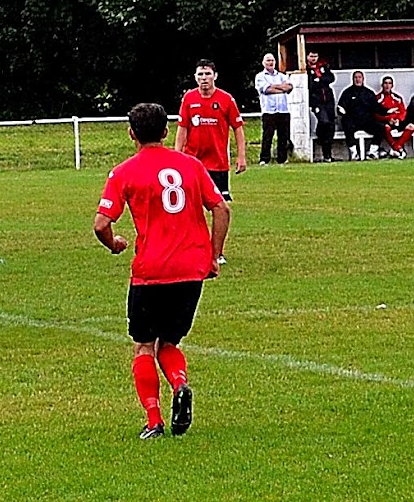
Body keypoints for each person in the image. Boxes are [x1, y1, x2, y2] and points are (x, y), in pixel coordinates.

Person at [94, 102, 231, 439]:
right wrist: (213, 256)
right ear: (167, 131)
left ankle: (154, 420)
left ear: (131, 134)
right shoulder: (192, 166)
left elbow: (101, 224)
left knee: (143, 346)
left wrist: (115, 244)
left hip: (151, 271)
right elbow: (221, 209)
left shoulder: (124, 171)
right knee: (168, 343)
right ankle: (180, 383)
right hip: (190, 270)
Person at [174, 59, 247, 200]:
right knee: (191, 201)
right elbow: (182, 129)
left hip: (218, 163)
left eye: (208, 73)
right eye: (200, 74)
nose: (204, 78)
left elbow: (238, 129)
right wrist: (177, 155)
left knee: (220, 204)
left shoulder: (226, 99)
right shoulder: (188, 99)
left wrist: (241, 157)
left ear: (215, 76)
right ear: (195, 77)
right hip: (193, 161)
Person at [253, 53, 294, 165]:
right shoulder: (260, 77)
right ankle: (264, 159)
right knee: (268, 136)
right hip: (269, 111)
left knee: (283, 136)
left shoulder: (282, 75)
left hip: (283, 110)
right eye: (268, 60)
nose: (270, 62)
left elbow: (289, 87)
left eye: (272, 60)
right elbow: (266, 89)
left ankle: (282, 159)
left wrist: (274, 86)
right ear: (263, 62)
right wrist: (281, 88)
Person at [336, 70, 383, 159]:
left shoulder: (369, 93)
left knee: (380, 127)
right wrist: (341, 110)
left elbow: (377, 108)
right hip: (352, 120)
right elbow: (340, 107)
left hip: (366, 121)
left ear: (363, 79)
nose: (357, 79)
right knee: (347, 125)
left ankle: (372, 151)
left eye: (359, 77)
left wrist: (388, 111)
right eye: (355, 77)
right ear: (352, 79)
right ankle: (354, 153)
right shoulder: (347, 92)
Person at [305, 51, 338, 162]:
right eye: (311, 56)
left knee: (331, 125)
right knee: (324, 121)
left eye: (315, 56)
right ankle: (320, 136)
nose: (313, 58)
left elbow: (331, 78)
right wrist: (320, 81)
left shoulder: (323, 67)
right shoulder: (305, 70)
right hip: (316, 101)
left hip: (328, 99)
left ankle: (327, 155)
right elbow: (310, 85)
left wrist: (320, 80)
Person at [375, 76, 412, 155]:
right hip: (385, 121)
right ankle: (398, 149)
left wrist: (398, 119)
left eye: (389, 83)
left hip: (397, 121)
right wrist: (388, 119)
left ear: (392, 85)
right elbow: (376, 114)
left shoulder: (397, 98)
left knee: (411, 126)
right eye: (385, 83)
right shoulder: (377, 98)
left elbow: (403, 112)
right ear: (382, 85)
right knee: (386, 128)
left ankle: (396, 147)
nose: (387, 85)